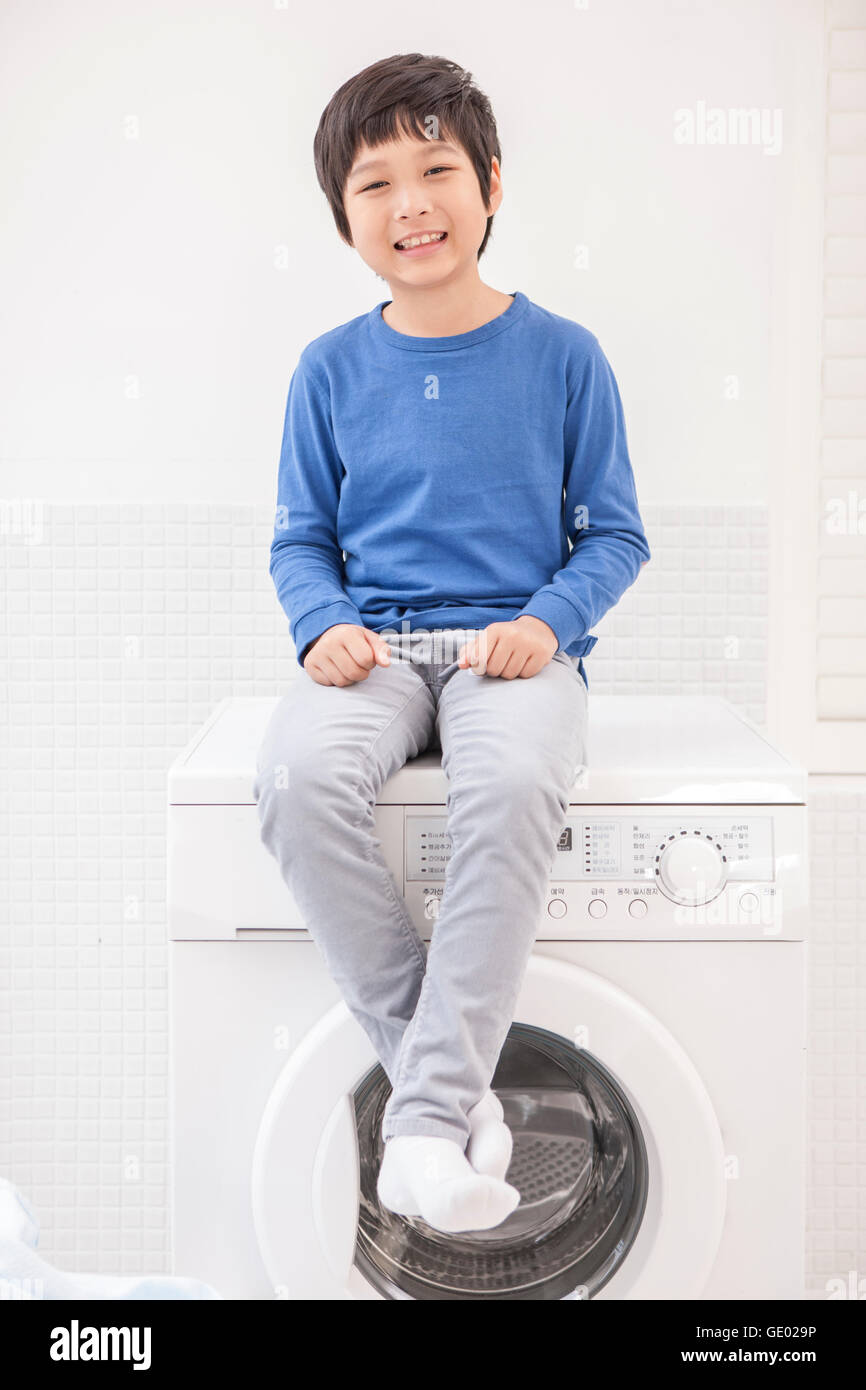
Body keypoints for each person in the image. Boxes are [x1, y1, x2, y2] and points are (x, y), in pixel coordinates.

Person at [253, 52, 651, 1235]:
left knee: (516, 780)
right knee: (291, 778)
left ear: (488, 183)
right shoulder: (325, 371)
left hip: (512, 652)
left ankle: (415, 1123)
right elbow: (297, 541)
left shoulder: (564, 356)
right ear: (343, 217)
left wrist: (544, 622)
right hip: (374, 653)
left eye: (435, 170)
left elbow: (615, 537)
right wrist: (321, 625)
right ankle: (451, 1102)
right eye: (375, 184)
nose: (410, 204)